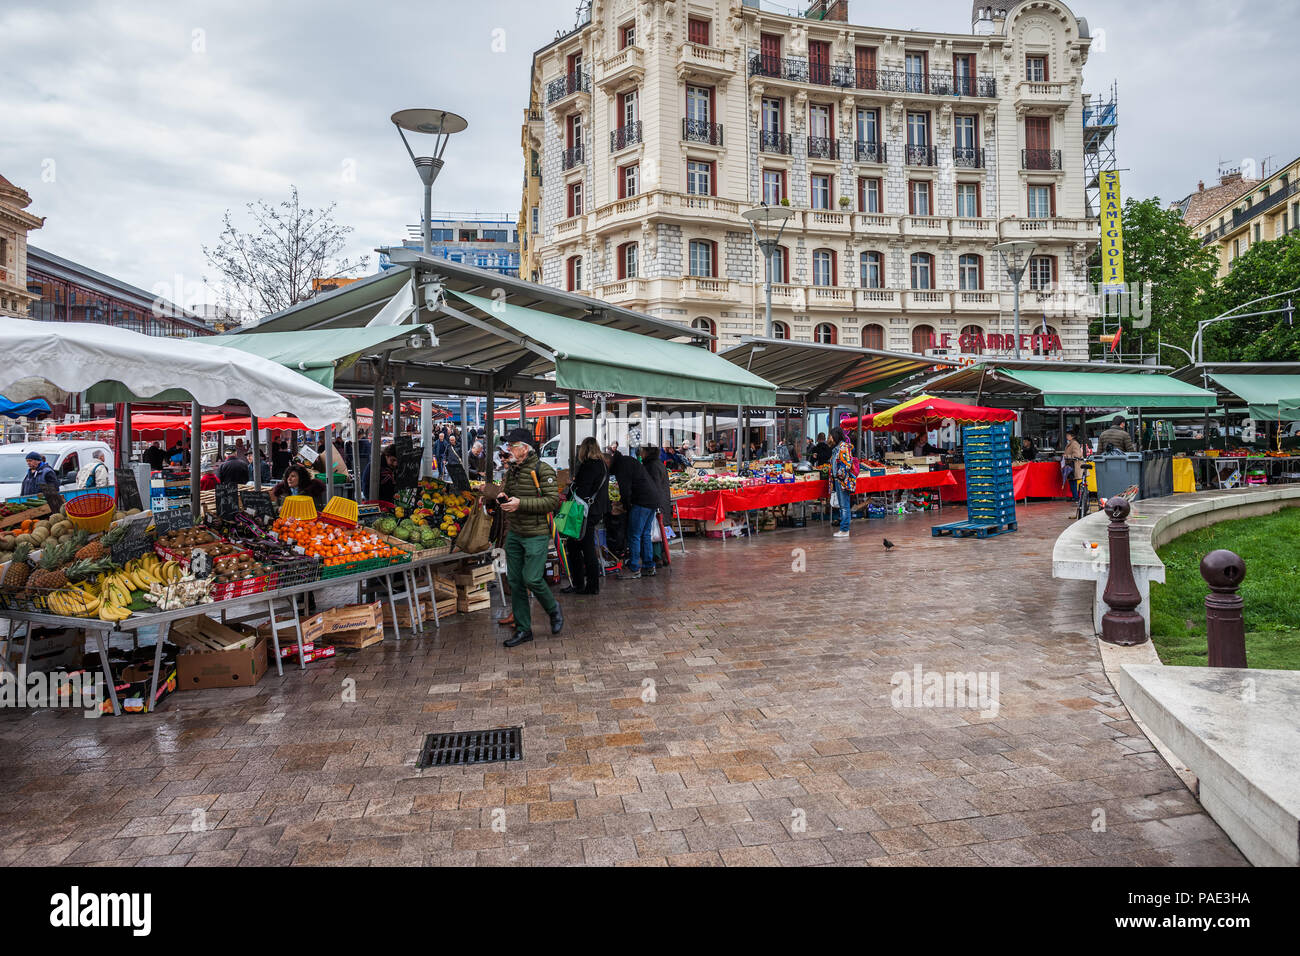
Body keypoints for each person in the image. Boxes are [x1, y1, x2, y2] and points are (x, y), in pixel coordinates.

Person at [495, 428, 562, 648]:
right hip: (515, 532)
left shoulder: (543, 469)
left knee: (531, 578)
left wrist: (520, 504)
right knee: (515, 581)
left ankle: (553, 609)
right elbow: (512, 496)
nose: (509, 449)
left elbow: (552, 502)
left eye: (512, 445)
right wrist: (502, 498)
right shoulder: (512, 471)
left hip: (536, 533)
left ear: (525, 448)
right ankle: (524, 629)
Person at [562, 437, 609, 596]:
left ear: (584, 449)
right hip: (596, 510)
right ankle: (585, 584)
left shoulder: (588, 466)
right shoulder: (603, 464)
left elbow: (582, 491)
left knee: (579, 548)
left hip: (584, 513)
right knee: (584, 547)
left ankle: (585, 585)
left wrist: (572, 484)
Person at [606, 445, 658, 579]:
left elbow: (625, 490)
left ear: (608, 461)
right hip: (652, 499)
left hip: (642, 501)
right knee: (645, 534)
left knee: (634, 535)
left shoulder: (622, 466)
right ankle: (648, 566)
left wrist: (625, 506)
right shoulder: (628, 460)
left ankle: (634, 568)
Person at [640, 444, 673, 566]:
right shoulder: (658, 464)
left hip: (656, 502)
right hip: (662, 501)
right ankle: (663, 556)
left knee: (655, 530)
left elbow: (653, 485)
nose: (640, 453)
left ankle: (657, 557)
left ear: (648, 453)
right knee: (661, 530)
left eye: (642, 451)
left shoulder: (651, 466)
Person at [829, 426, 855, 539]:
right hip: (838, 480)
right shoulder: (837, 448)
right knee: (842, 505)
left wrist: (840, 475)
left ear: (835, 436)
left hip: (842, 481)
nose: (829, 438)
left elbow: (846, 463)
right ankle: (843, 528)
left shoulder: (843, 447)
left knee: (844, 506)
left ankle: (844, 530)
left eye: (830, 436)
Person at [1062, 428, 1086, 503]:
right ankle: (1074, 496)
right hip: (1071, 464)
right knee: (1072, 481)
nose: (1066, 436)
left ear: (1072, 436)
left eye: (1068, 435)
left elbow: (1077, 455)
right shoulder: (1071, 443)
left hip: (1074, 465)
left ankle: (1076, 497)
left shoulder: (1074, 443)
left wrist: (1067, 456)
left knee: (1073, 482)